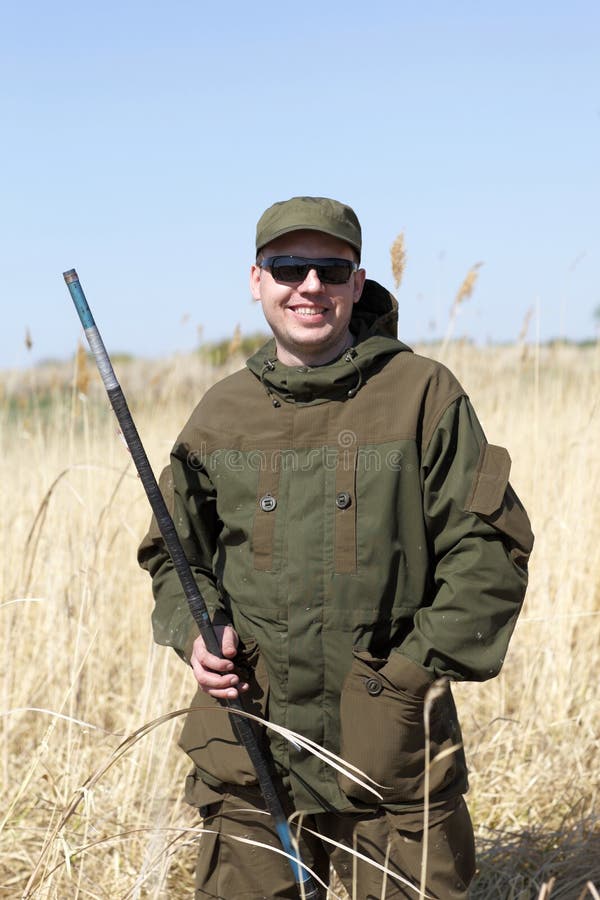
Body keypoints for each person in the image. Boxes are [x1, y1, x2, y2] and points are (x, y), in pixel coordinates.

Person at [138, 196, 534, 899]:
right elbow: (175, 554)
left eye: (330, 268)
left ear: (357, 282)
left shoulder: (422, 394)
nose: (309, 285)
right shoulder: (220, 415)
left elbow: (489, 548)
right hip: (250, 750)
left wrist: (409, 675)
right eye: (289, 267)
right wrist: (194, 635)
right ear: (257, 279)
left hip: (391, 754)